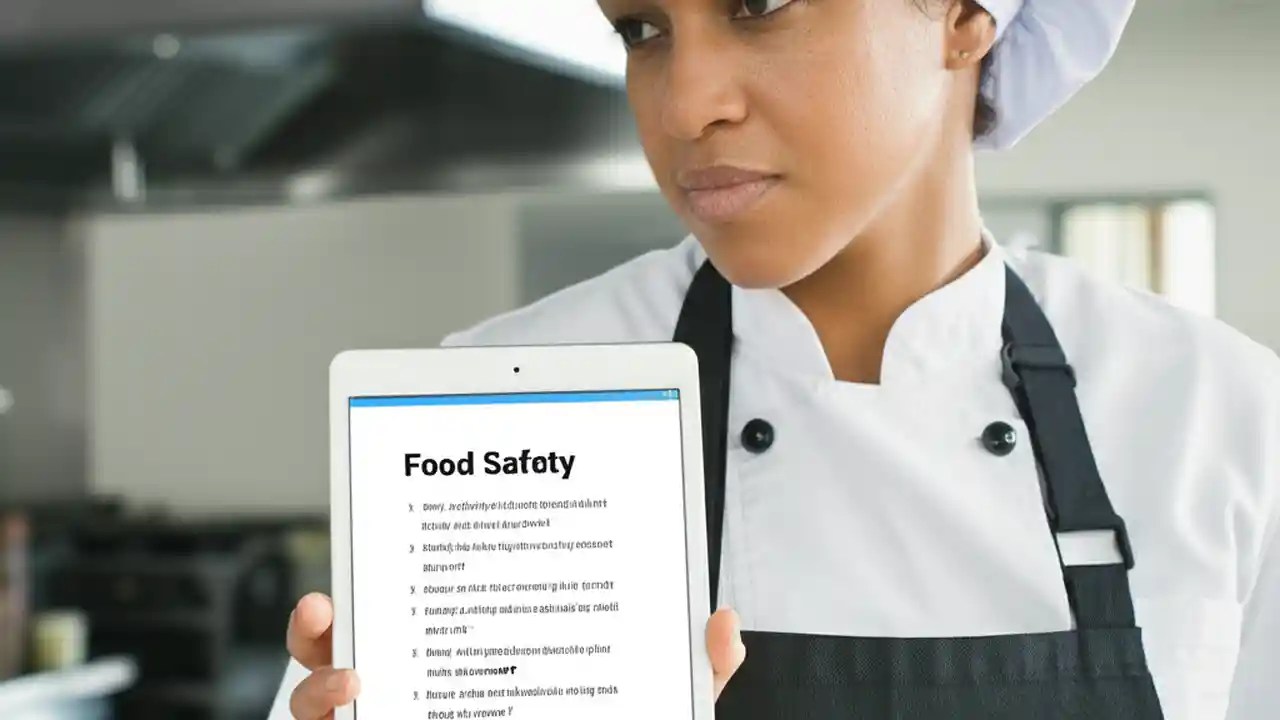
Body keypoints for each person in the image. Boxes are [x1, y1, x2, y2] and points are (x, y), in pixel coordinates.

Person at [271, 0, 1280, 718]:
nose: (681, 106)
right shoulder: (499, 395)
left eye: (756, 4)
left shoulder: (1212, 412)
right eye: (642, 31)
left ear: (965, 16)